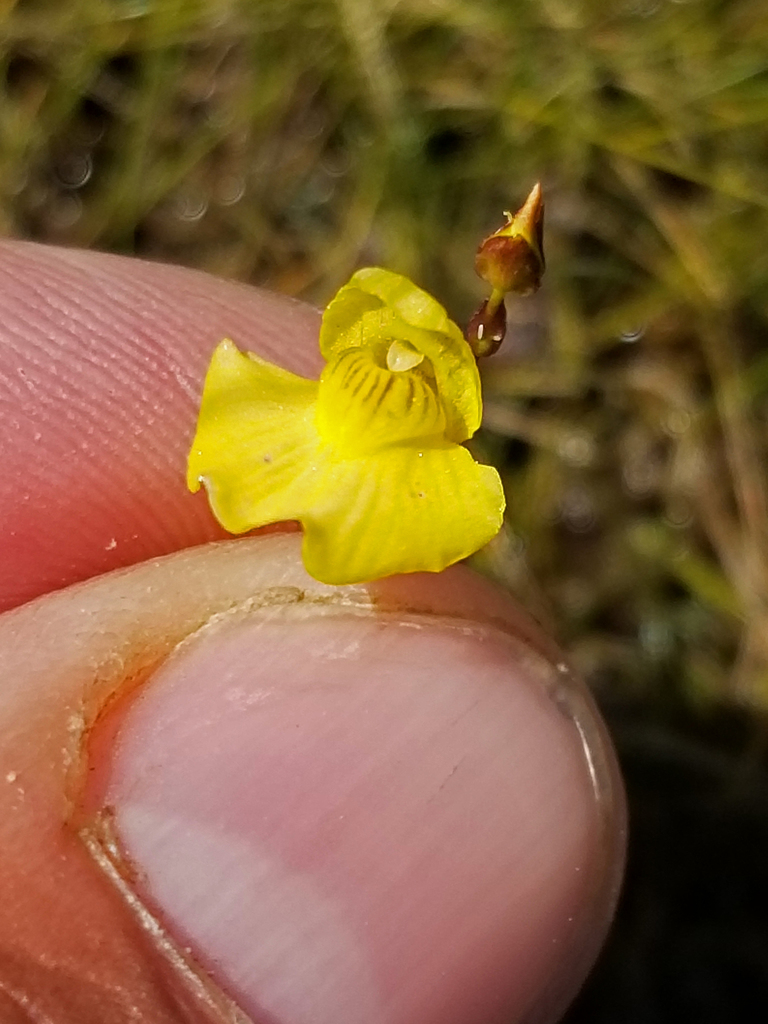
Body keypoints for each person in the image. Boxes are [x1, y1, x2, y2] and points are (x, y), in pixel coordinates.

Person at [0, 242, 625, 1024]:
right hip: (310, 432)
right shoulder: (264, 408)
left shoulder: (439, 480)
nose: (397, 363)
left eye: (430, 365)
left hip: (399, 475)